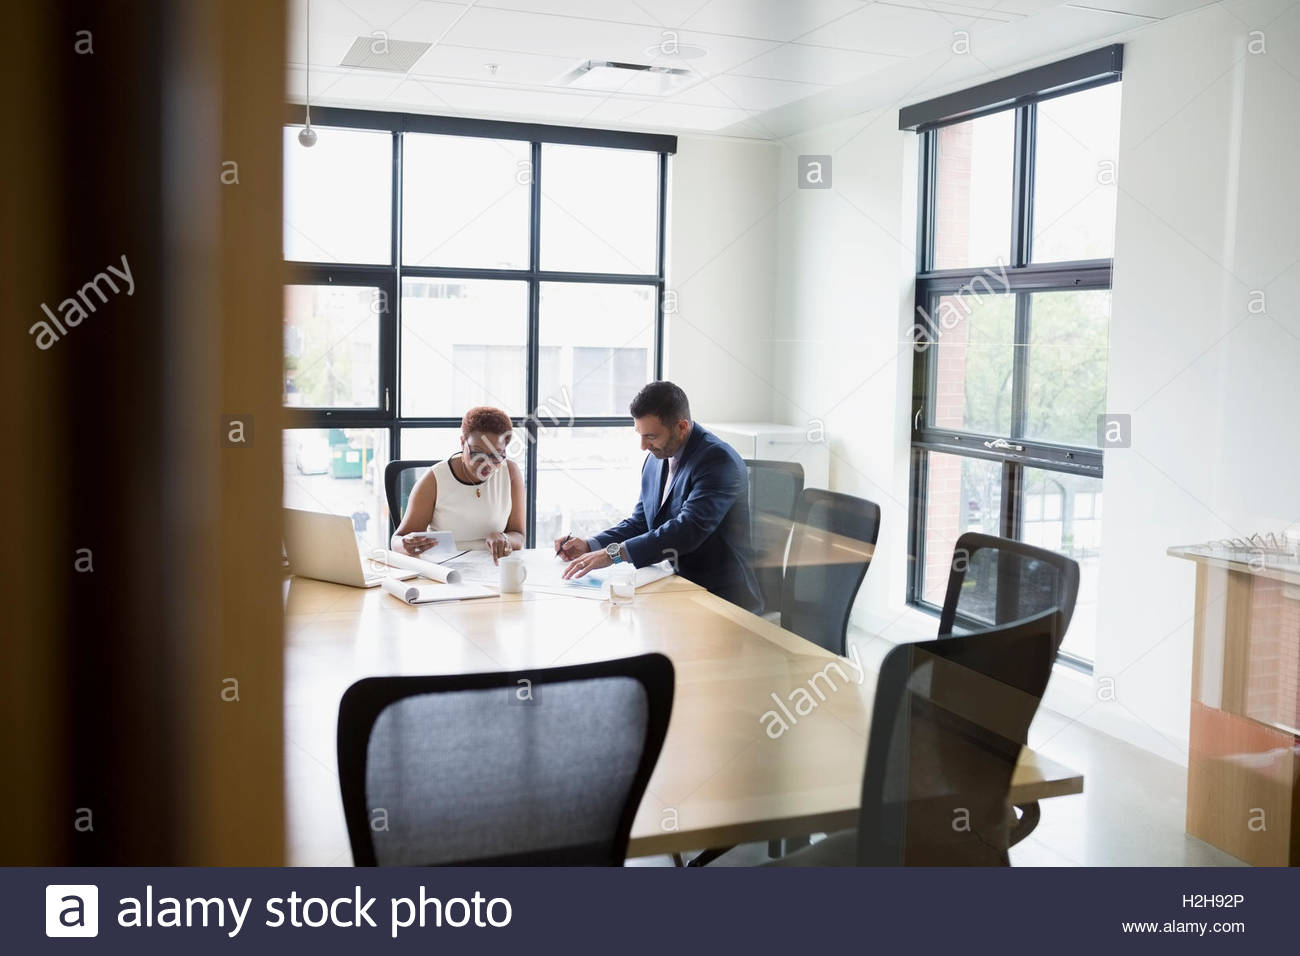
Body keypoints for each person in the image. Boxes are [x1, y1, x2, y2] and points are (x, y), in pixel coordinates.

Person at [555, 381, 762, 612]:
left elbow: (686, 530)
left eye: (651, 436)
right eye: (640, 434)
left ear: (682, 427)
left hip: (719, 597)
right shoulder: (657, 456)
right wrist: (591, 544)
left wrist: (612, 555)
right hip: (673, 586)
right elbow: (642, 521)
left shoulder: (718, 461)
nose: (643, 446)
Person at [392, 406, 524, 563]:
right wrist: (405, 545)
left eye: (496, 455)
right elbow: (397, 540)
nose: (486, 464)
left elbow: (518, 535)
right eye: (477, 453)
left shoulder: (510, 472)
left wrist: (505, 538)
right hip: (446, 568)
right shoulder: (434, 479)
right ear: (463, 443)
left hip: (493, 568)